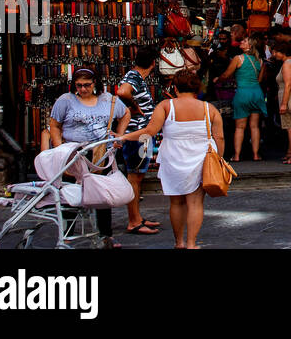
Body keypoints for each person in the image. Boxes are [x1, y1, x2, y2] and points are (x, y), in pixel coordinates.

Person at [118, 69, 224, 249]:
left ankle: (179, 242)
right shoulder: (209, 108)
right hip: (200, 157)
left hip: (173, 157)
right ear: (197, 88)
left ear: (175, 88)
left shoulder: (166, 106)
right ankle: (191, 244)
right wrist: (219, 158)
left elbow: (149, 131)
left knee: (176, 202)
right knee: (195, 202)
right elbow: (219, 137)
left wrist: (123, 137)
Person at [48, 68, 131, 247]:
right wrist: (59, 147)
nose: (83, 89)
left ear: (95, 84)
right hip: (75, 152)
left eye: (87, 85)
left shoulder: (107, 99)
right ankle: (67, 233)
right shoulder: (66, 100)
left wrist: (119, 136)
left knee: (102, 194)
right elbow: (54, 125)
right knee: (70, 191)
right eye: (79, 85)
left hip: (101, 152)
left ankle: (105, 234)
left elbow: (125, 114)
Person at [115, 46, 160, 234]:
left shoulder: (135, 77)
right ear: (153, 63)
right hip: (138, 136)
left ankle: (137, 218)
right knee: (135, 177)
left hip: (142, 135)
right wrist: (134, 106)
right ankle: (133, 221)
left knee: (138, 176)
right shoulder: (133, 77)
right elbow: (122, 92)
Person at [218, 34, 267, 161]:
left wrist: (218, 79)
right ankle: (256, 155)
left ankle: (237, 155)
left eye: (244, 41)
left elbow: (227, 74)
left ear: (249, 46)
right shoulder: (261, 61)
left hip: (243, 93)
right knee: (255, 126)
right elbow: (260, 80)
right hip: (256, 93)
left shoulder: (238, 58)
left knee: (240, 127)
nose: (241, 42)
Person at [270, 38, 291, 164]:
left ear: (282, 52)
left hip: (290, 98)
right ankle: (290, 152)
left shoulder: (286, 65)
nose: (274, 55)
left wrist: (284, 103)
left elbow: (288, 85)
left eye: (275, 52)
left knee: (290, 126)